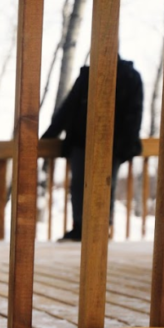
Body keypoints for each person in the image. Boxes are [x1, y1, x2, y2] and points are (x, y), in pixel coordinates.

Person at [42, 56, 144, 242]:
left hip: (114, 145)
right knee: (79, 184)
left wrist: (126, 145)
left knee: (105, 185)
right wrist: (48, 136)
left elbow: (135, 113)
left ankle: (100, 230)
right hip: (82, 141)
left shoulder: (130, 77)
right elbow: (68, 107)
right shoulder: (88, 75)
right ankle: (80, 227)